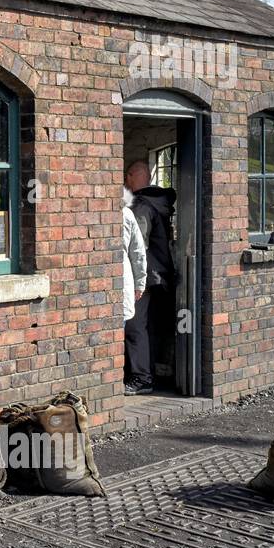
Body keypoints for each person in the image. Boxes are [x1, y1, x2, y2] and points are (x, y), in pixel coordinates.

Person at [124, 160, 176, 394]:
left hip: (146, 276)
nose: (125, 182)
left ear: (133, 176)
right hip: (159, 275)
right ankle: (148, 371)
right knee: (147, 326)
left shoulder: (142, 206)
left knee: (135, 326)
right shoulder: (159, 202)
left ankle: (141, 377)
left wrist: (136, 280)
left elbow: (137, 246)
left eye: (127, 177)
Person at [122, 188, 147, 392]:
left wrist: (140, 282)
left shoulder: (125, 214)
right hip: (123, 283)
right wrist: (140, 282)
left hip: (121, 283)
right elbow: (138, 252)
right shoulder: (127, 213)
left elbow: (137, 252)